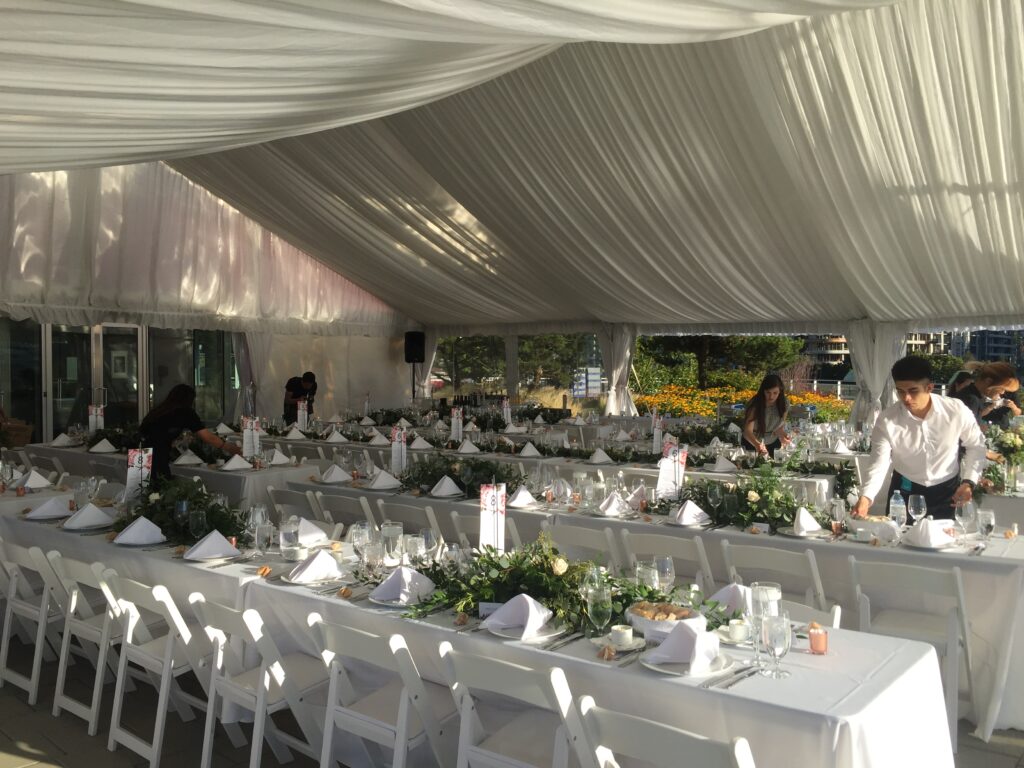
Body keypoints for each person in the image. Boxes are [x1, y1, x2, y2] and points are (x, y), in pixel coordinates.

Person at [852, 356, 986, 520]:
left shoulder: (955, 410)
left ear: (929, 387)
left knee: (945, 542)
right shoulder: (887, 420)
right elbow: (878, 462)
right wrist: (866, 497)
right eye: (900, 391)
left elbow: (976, 445)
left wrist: (968, 482)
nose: (906, 398)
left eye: (913, 391)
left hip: (946, 492)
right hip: (904, 491)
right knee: (897, 542)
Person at [140, 383, 240, 480]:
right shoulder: (186, 412)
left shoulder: (159, 410)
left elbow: (145, 431)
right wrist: (230, 448)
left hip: (139, 454)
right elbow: (207, 437)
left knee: (137, 493)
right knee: (158, 491)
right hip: (157, 456)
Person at [951, 361, 1020, 425]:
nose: (1002, 392)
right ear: (988, 381)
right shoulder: (972, 399)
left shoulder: (972, 394)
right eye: (1001, 388)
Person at [741, 374, 792, 458]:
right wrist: (758, 445)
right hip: (752, 442)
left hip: (773, 442)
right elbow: (747, 431)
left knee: (775, 468)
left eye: (775, 393)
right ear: (763, 391)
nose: (771, 397)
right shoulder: (755, 404)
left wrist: (783, 435)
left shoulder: (784, 403)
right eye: (768, 392)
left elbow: (779, 427)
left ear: (780, 391)